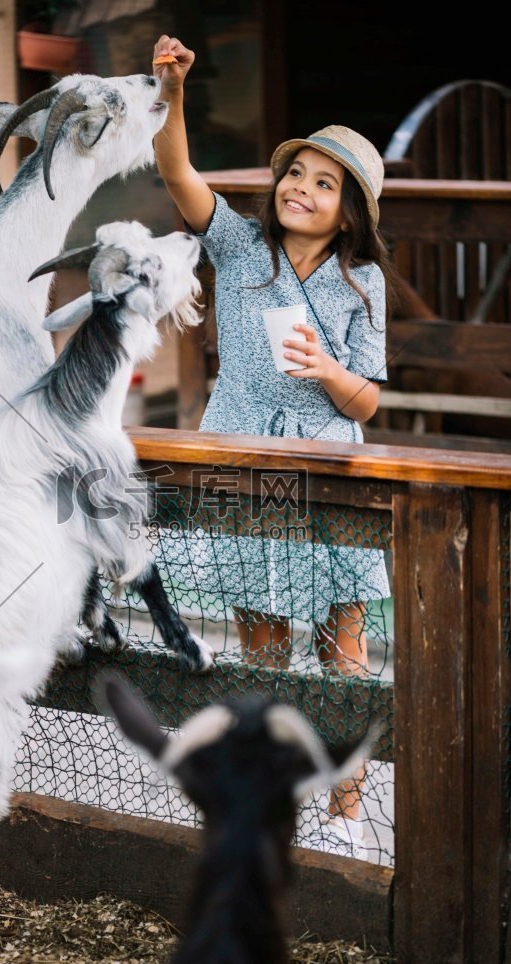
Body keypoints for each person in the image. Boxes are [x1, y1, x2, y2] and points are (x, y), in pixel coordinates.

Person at [151, 35, 398, 861]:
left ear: (349, 212)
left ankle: (346, 815)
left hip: (327, 463)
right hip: (243, 450)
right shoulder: (238, 247)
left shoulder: (362, 283)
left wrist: (328, 369)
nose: (301, 187)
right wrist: (171, 93)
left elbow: (367, 399)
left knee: (343, 647)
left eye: (324, 183)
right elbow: (177, 173)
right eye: (296, 172)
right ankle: (269, 810)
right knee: (261, 646)